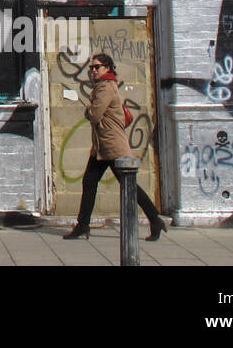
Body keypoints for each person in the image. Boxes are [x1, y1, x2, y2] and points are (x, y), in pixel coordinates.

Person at [65, 52, 166, 241]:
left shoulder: (105, 87)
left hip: (111, 146)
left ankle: (154, 219)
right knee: (90, 182)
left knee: (127, 185)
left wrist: (87, 109)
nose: (93, 71)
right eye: (91, 68)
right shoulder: (104, 85)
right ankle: (83, 225)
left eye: (97, 67)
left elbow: (94, 115)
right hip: (103, 147)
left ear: (108, 68)